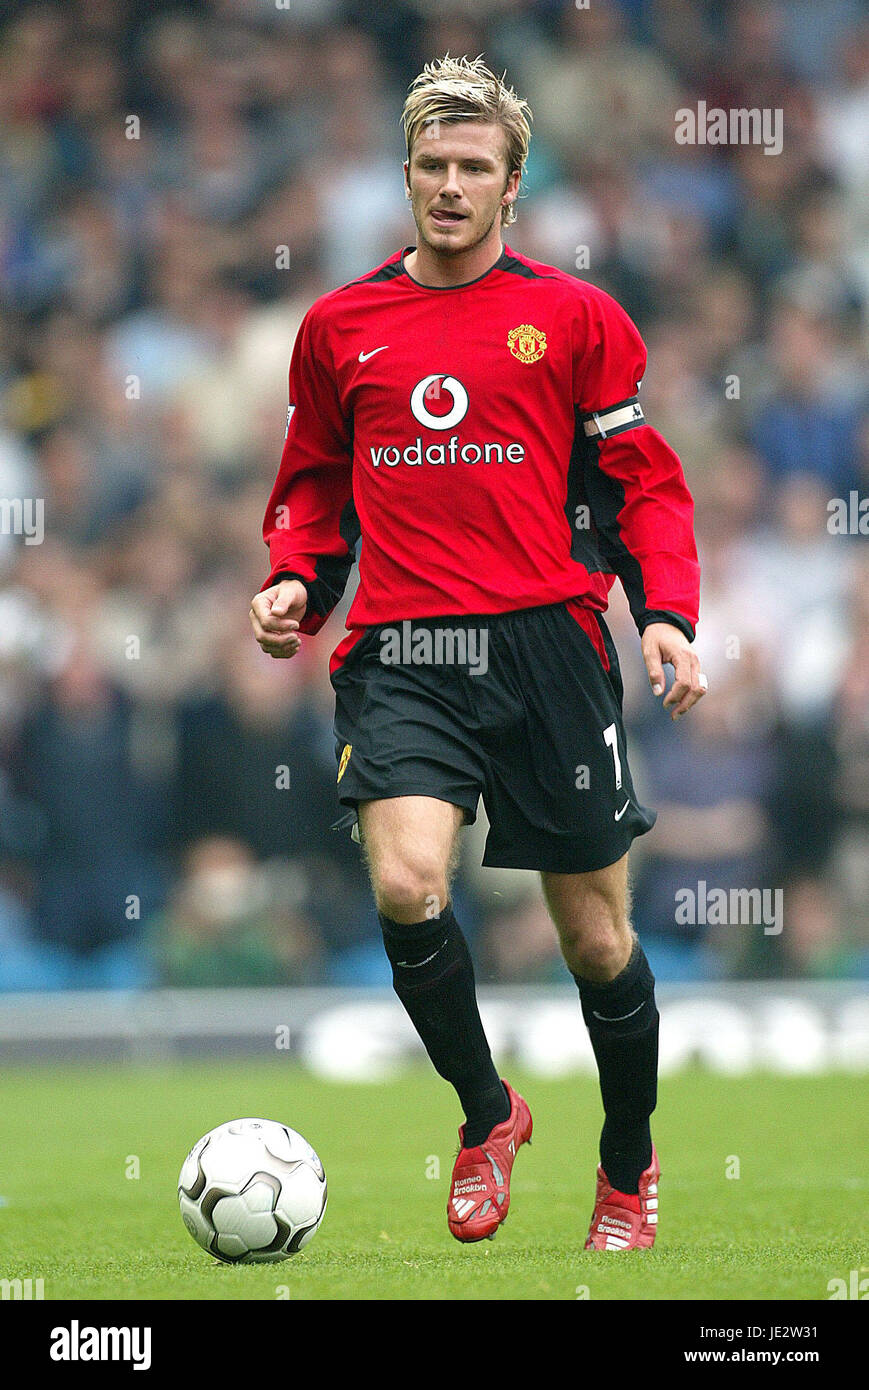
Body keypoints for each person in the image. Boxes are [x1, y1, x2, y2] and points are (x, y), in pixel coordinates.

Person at [250, 56, 706, 1251]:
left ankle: (623, 1162)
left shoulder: (572, 318)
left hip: (549, 647)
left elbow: (642, 482)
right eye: (432, 166)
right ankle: (487, 1112)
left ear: (512, 188)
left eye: (475, 169)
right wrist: (296, 580)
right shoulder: (338, 326)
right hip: (403, 647)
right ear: (405, 175)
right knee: (405, 884)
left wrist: (665, 611)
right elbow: (310, 489)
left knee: (595, 942)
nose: (450, 186)